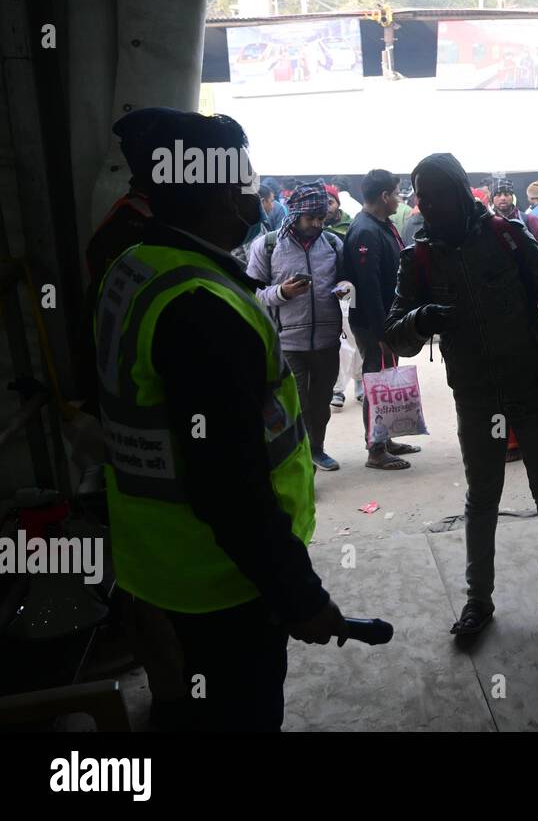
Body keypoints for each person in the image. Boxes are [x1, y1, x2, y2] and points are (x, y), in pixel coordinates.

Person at [93, 108, 347, 731]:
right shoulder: (205, 308)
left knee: (190, 715)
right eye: (244, 183)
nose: (255, 196)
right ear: (213, 193)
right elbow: (227, 484)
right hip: (221, 581)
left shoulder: (137, 268)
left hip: (159, 563)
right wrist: (299, 597)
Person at [384, 152, 538, 635]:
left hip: (533, 386)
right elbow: (394, 334)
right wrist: (419, 320)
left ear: (459, 191)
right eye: (421, 198)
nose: (427, 206)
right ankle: (479, 600)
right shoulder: (419, 259)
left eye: (436, 196)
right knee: (482, 499)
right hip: (476, 399)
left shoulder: (508, 237)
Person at [245, 181, 349, 471]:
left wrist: (344, 288)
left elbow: (345, 281)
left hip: (328, 341)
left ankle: (317, 449)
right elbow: (252, 292)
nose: (316, 224)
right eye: (310, 218)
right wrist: (281, 293)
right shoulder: (267, 246)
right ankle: (300, 458)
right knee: (296, 405)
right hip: (288, 343)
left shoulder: (333, 244)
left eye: (320, 218)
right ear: (294, 214)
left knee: (321, 403)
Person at [342, 169, 420, 471]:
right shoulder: (365, 231)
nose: (399, 200)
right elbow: (368, 286)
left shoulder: (381, 225)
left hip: (389, 318)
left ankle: (385, 438)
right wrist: (381, 331)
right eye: (397, 194)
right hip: (375, 322)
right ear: (385, 196)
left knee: (387, 379)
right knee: (377, 380)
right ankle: (375, 449)